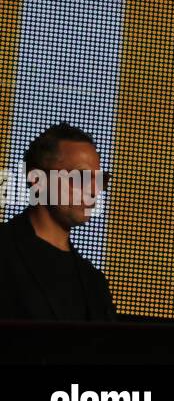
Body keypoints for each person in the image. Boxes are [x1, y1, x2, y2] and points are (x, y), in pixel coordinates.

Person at [0, 122, 116, 321]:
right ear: (38, 179)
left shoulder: (94, 284)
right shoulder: (4, 251)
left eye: (100, 180)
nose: (94, 190)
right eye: (81, 177)